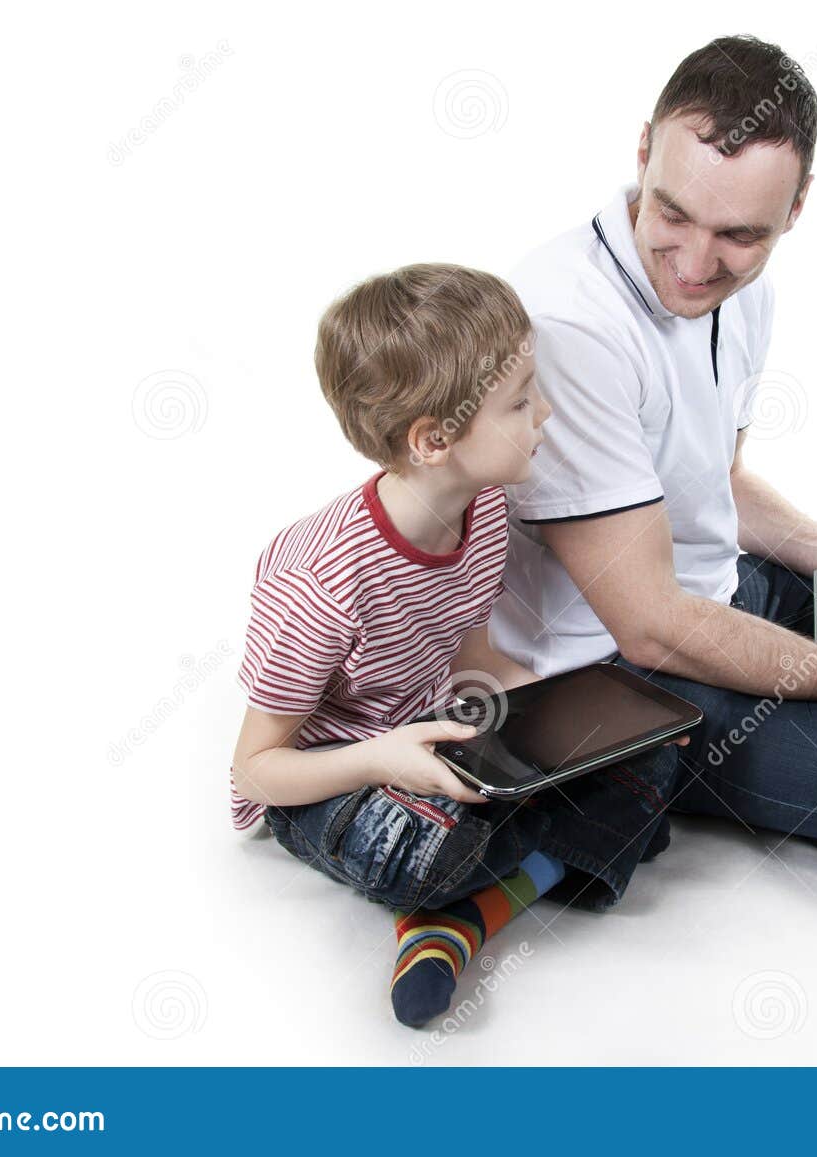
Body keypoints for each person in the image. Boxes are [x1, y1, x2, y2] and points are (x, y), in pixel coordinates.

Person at [488, 36, 817, 876]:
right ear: (643, 151)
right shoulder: (570, 325)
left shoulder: (744, 294)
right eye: (673, 214)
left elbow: (721, 481)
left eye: (739, 234)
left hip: (710, 593)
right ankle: (737, 768)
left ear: (797, 206)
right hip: (624, 672)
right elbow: (650, 624)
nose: (695, 263)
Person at [229, 263, 684, 1028]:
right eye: (521, 399)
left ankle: (456, 921)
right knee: (425, 851)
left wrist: (577, 718)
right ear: (434, 439)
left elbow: (474, 661)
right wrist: (383, 760)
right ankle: (517, 872)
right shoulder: (321, 585)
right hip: (333, 773)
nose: (545, 411)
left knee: (652, 751)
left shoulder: (485, 510)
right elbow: (255, 768)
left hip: (433, 732)